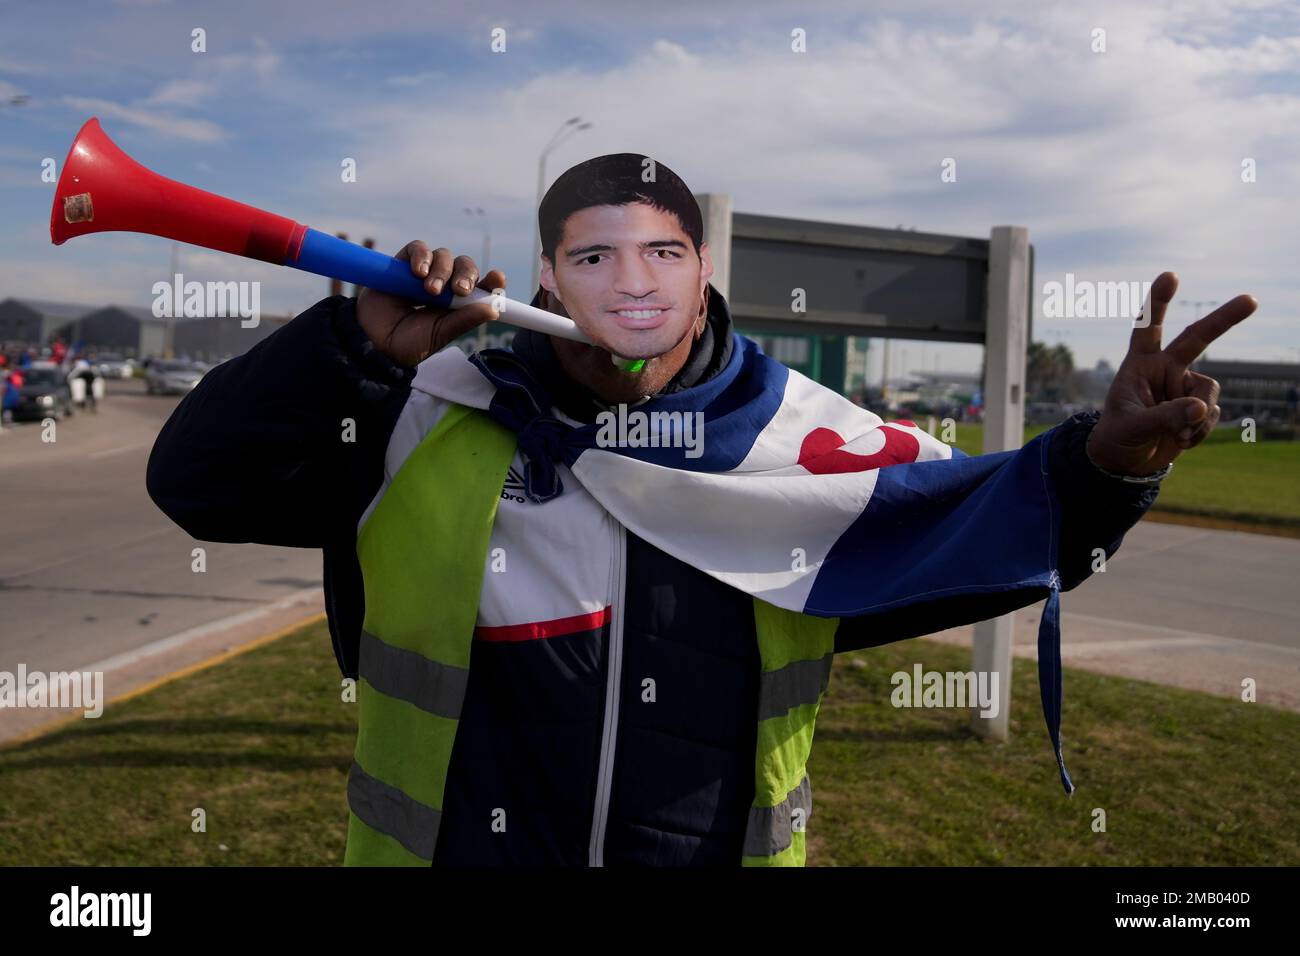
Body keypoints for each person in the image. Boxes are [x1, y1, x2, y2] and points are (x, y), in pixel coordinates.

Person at [147, 154, 1254, 867]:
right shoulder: (428, 411)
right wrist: (346, 347)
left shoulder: (798, 445)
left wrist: (1107, 469)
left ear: (700, 275)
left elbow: (997, 529)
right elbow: (194, 482)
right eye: (592, 263)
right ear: (543, 279)